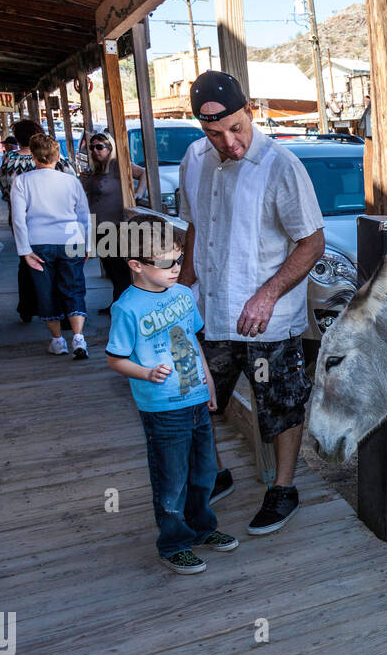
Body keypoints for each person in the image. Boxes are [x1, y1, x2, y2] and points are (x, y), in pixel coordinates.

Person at [178, 69, 325, 535]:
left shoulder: (281, 166)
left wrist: (267, 294)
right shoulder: (194, 159)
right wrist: (181, 294)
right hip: (210, 309)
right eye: (215, 133)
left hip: (269, 319)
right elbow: (195, 229)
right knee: (196, 397)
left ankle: (283, 489)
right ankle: (214, 472)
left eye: (236, 128)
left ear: (251, 112)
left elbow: (312, 243)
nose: (229, 142)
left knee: (280, 405)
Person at [106, 215, 238, 575]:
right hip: (163, 408)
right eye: (165, 262)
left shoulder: (182, 294)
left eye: (179, 258)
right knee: (172, 477)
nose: (176, 267)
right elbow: (115, 358)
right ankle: (174, 543)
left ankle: (202, 528)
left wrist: (209, 381)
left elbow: (194, 341)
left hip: (195, 398)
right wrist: (145, 372)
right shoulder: (126, 308)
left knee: (204, 472)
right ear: (135, 265)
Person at [10, 134, 92, 358]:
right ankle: (78, 338)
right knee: (74, 287)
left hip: (38, 242)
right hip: (71, 239)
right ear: (57, 156)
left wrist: (24, 250)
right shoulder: (71, 181)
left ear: (34, 157)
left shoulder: (22, 181)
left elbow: (18, 218)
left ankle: (57, 341)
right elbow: (84, 214)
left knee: (46, 291)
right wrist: (88, 245)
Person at [1, 120, 77, 322]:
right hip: (56, 221)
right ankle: (65, 312)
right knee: (61, 268)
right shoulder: (59, 160)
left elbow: (4, 189)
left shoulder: (10, 159)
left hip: (23, 220)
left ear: (18, 137)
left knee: (27, 264)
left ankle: (28, 308)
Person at [81, 131, 146, 312]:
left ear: (110, 148)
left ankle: (122, 306)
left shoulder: (117, 165)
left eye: (100, 147)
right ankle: (117, 304)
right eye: (92, 148)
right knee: (110, 268)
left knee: (119, 269)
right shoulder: (96, 170)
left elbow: (143, 173)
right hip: (99, 226)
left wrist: (138, 195)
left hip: (115, 226)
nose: (95, 151)